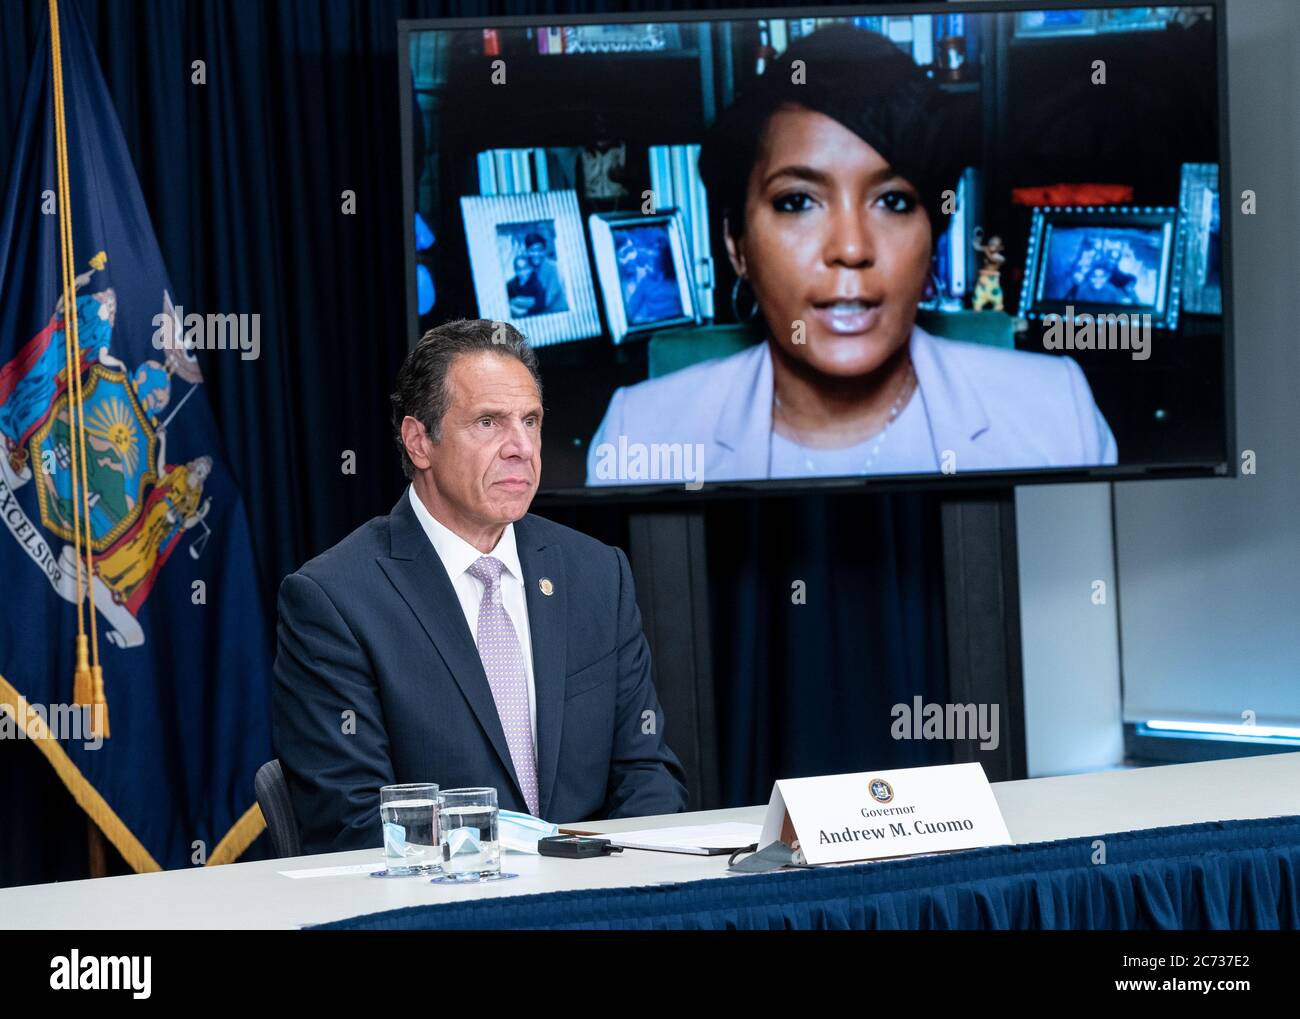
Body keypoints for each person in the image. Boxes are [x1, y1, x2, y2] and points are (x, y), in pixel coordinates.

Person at [586, 25, 1117, 485]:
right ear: (736, 244)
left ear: (933, 233)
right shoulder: (641, 436)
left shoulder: (1056, 416)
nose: (851, 249)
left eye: (892, 201)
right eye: (797, 202)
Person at [274, 319, 688, 853]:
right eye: (489, 422)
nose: (521, 447)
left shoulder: (596, 574)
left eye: (531, 421)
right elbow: (354, 823)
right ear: (419, 442)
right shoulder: (334, 600)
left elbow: (647, 773)